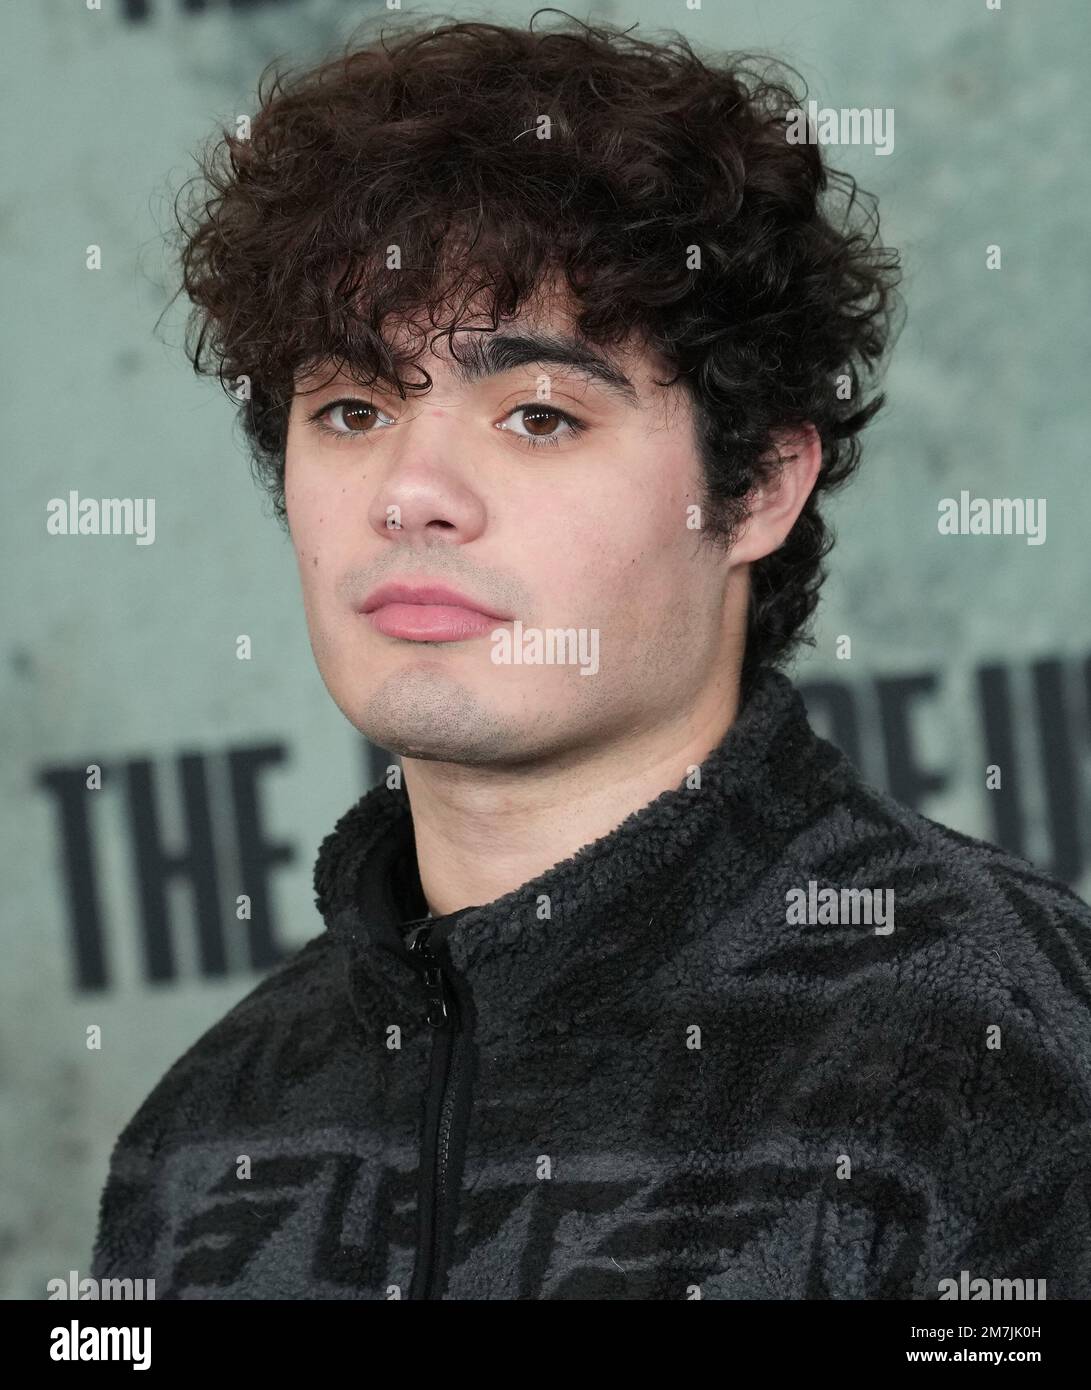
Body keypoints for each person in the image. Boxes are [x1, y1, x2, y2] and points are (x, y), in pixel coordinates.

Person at [91, 13, 1091, 1299]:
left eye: (539, 416)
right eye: (351, 408)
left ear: (757, 488)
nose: (412, 494)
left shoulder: (990, 1044)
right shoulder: (206, 1127)